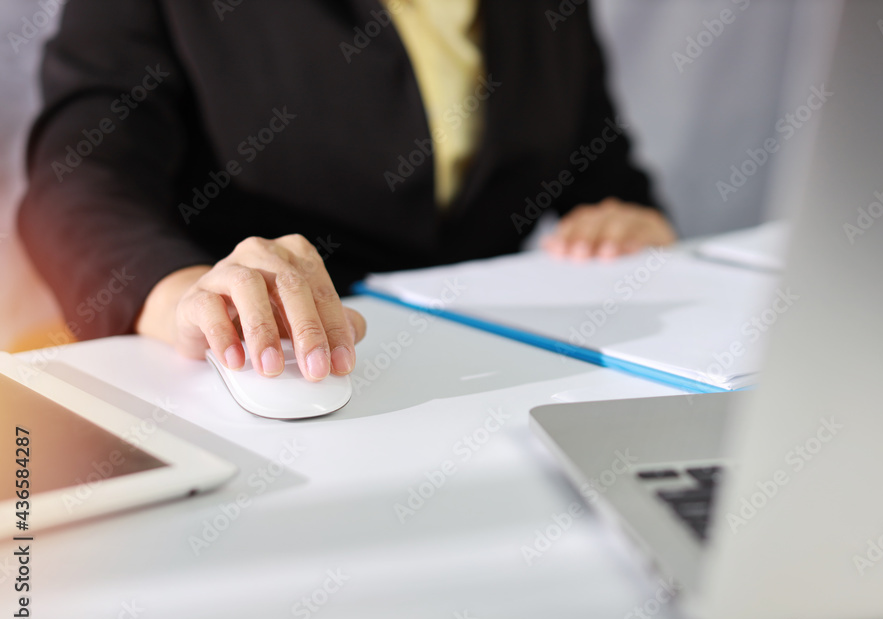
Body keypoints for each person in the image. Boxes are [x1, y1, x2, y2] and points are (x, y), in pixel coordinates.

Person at [17, 0, 675, 383]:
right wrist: (181, 291)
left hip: (494, 376)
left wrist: (631, 220)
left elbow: (601, 168)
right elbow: (77, 184)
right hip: (271, 369)